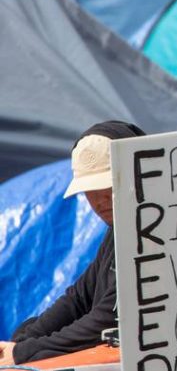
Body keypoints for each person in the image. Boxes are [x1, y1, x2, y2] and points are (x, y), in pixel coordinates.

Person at [0, 121, 146, 366]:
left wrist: (23, 351)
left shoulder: (154, 235)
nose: (100, 201)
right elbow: (79, 297)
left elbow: (108, 318)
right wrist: (25, 339)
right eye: (91, 191)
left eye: (108, 186)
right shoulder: (119, 227)